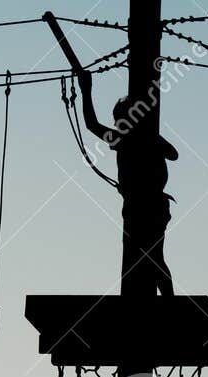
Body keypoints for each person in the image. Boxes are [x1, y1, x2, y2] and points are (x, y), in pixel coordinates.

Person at [75, 70, 178, 297]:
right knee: (149, 254)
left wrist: (86, 90)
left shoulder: (127, 139)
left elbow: (92, 124)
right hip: (147, 205)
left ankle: (166, 300)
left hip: (144, 205)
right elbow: (173, 154)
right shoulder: (139, 138)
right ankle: (165, 299)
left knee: (145, 254)